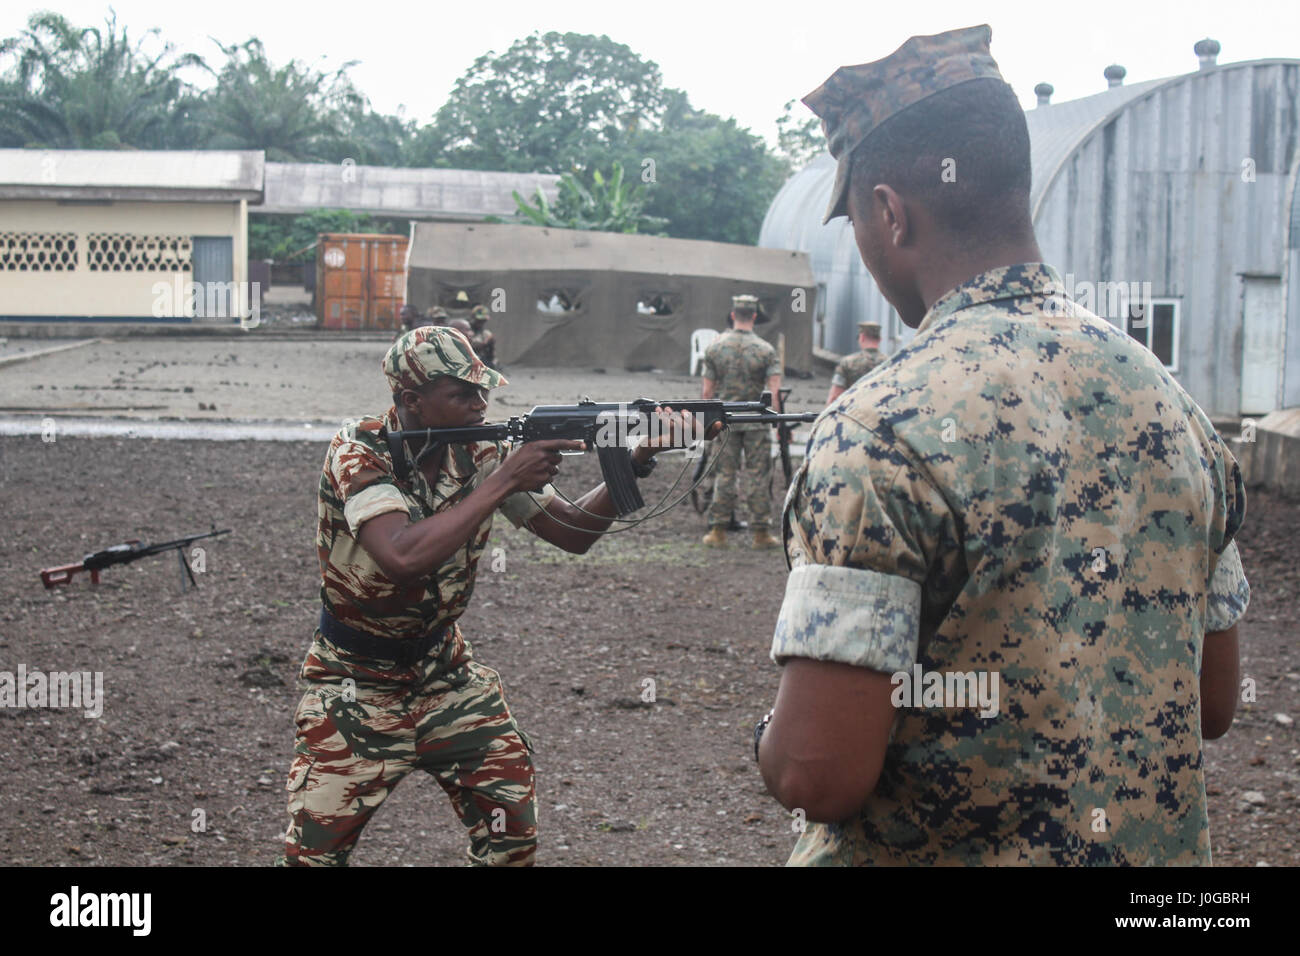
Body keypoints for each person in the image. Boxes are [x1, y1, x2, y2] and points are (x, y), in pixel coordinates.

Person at [756, 24, 1249, 866]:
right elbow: (1210, 704)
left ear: (888, 211)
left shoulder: (877, 429)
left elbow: (818, 772)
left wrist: (773, 732)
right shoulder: (1173, 405)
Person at [280, 326, 690, 866]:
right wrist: (502, 482)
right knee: (314, 856)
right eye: (462, 394)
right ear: (411, 401)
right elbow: (401, 556)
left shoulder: (484, 449)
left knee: (511, 832)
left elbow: (574, 533)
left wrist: (634, 461)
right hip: (354, 682)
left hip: (443, 673)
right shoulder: (360, 448)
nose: (481, 405)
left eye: (483, 391)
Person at [700, 294, 782, 550]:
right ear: (755, 317)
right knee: (758, 476)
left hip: (725, 422)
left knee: (725, 474)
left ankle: (717, 531)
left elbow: (706, 394)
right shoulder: (766, 350)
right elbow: (775, 393)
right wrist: (777, 423)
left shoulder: (714, 348)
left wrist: (705, 426)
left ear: (733, 315)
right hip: (756, 423)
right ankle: (761, 534)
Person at [826, 322, 884, 403]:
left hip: (853, 413)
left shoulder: (847, 362)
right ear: (880, 340)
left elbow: (834, 396)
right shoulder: (890, 363)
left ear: (862, 337)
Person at [469, 305, 497, 369]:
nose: (481, 322)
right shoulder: (466, 330)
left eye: (483, 320)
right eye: (479, 320)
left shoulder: (485, 333)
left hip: (483, 362)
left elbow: (492, 355)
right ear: (473, 318)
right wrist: (483, 343)